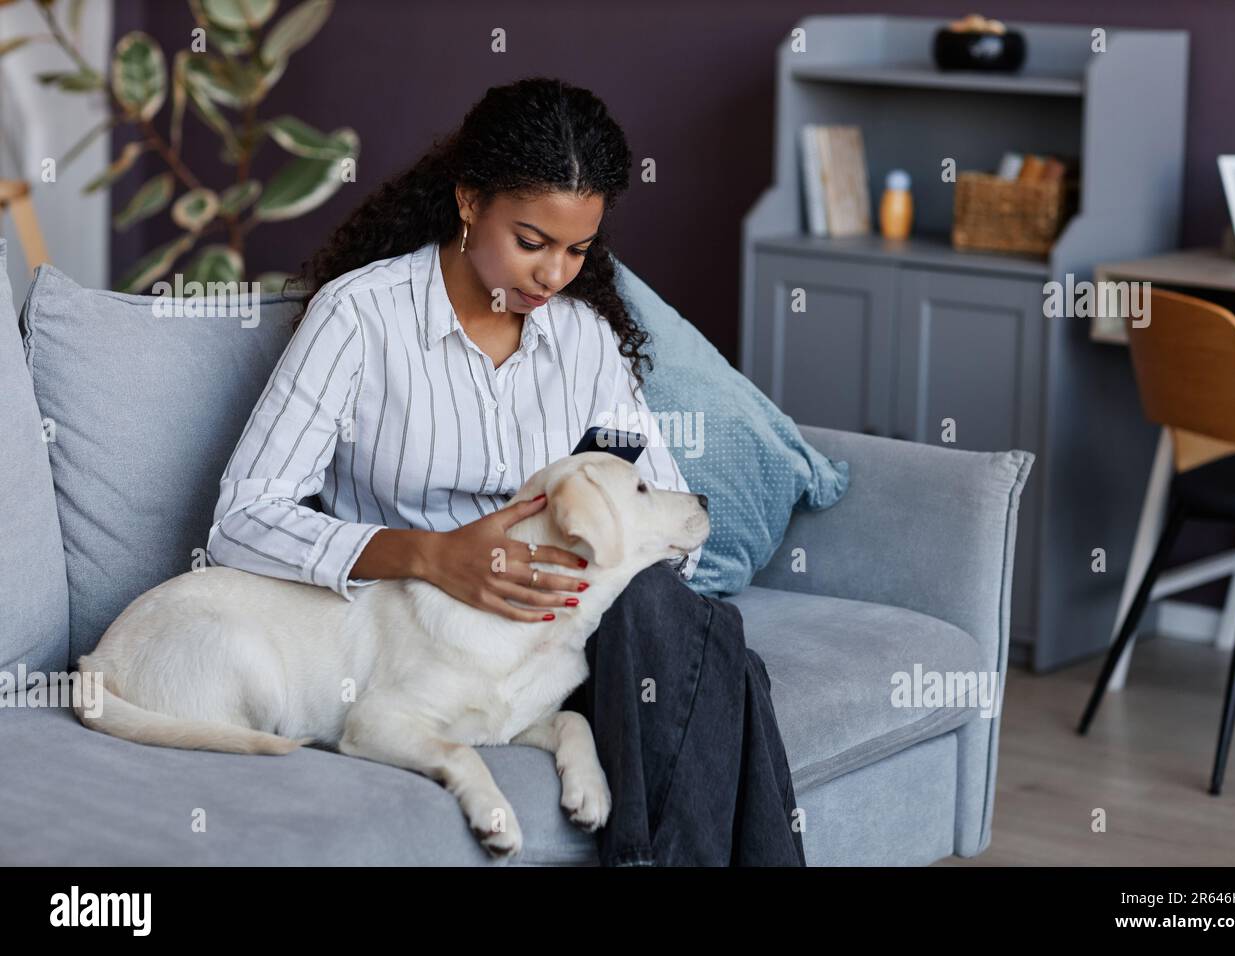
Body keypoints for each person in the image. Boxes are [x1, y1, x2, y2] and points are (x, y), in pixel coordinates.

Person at [206, 76, 805, 867]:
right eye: (532, 241)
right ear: (467, 201)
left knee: (669, 615)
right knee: (721, 669)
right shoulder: (361, 319)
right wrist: (429, 553)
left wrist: (605, 557)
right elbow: (242, 519)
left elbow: (664, 521)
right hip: (431, 644)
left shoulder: (583, 343)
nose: (554, 275)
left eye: (578, 250)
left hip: (571, 647)